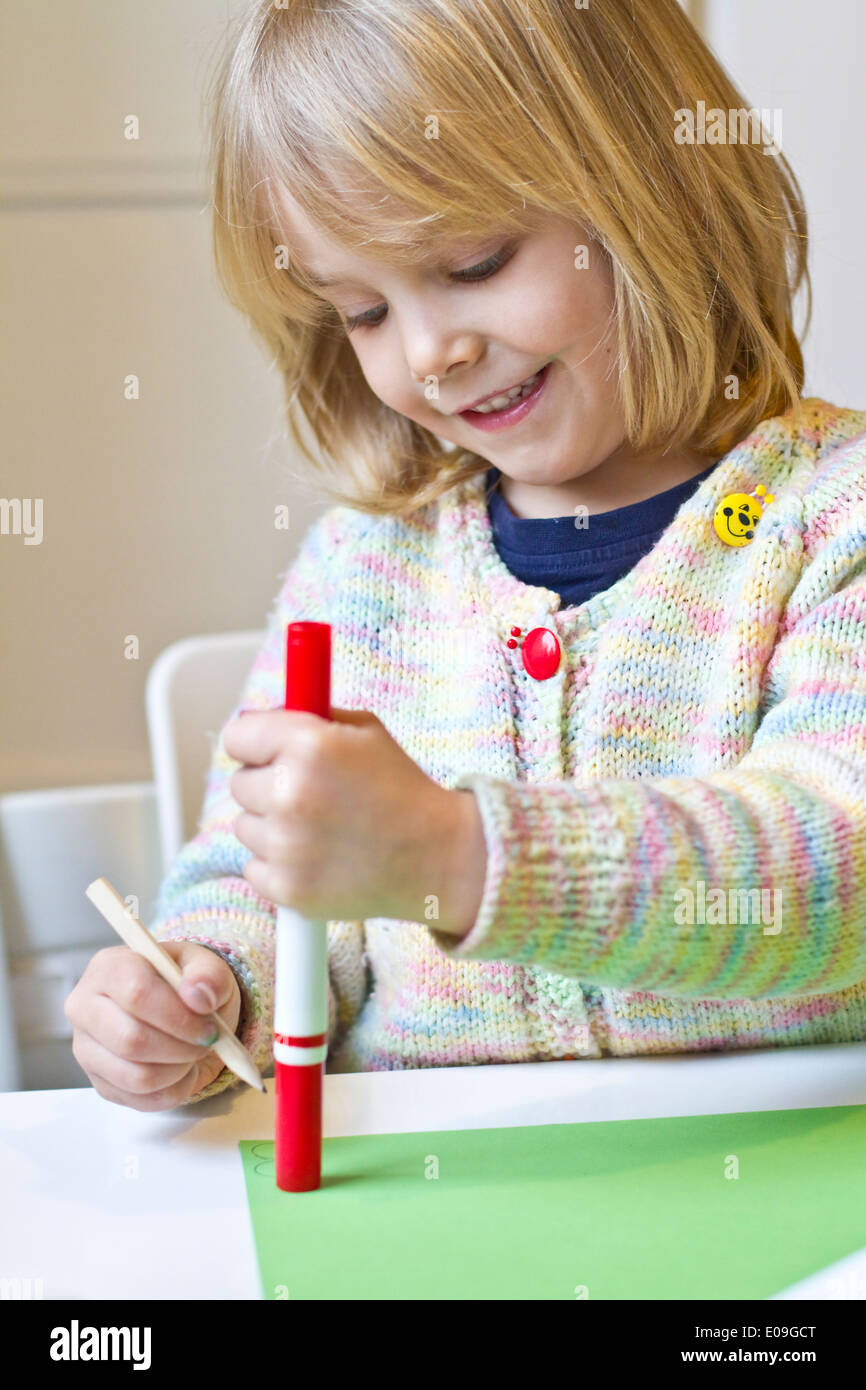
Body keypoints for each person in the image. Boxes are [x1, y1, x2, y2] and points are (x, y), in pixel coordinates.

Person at [66, 0, 866, 1111]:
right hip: (428, 1198)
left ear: (656, 189)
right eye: (360, 311)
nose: (429, 353)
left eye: (472, 261)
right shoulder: (362, 573)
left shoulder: (831, 521)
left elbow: (834, 868)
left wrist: (461, 855)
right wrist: (209, 987)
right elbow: (259, 876)